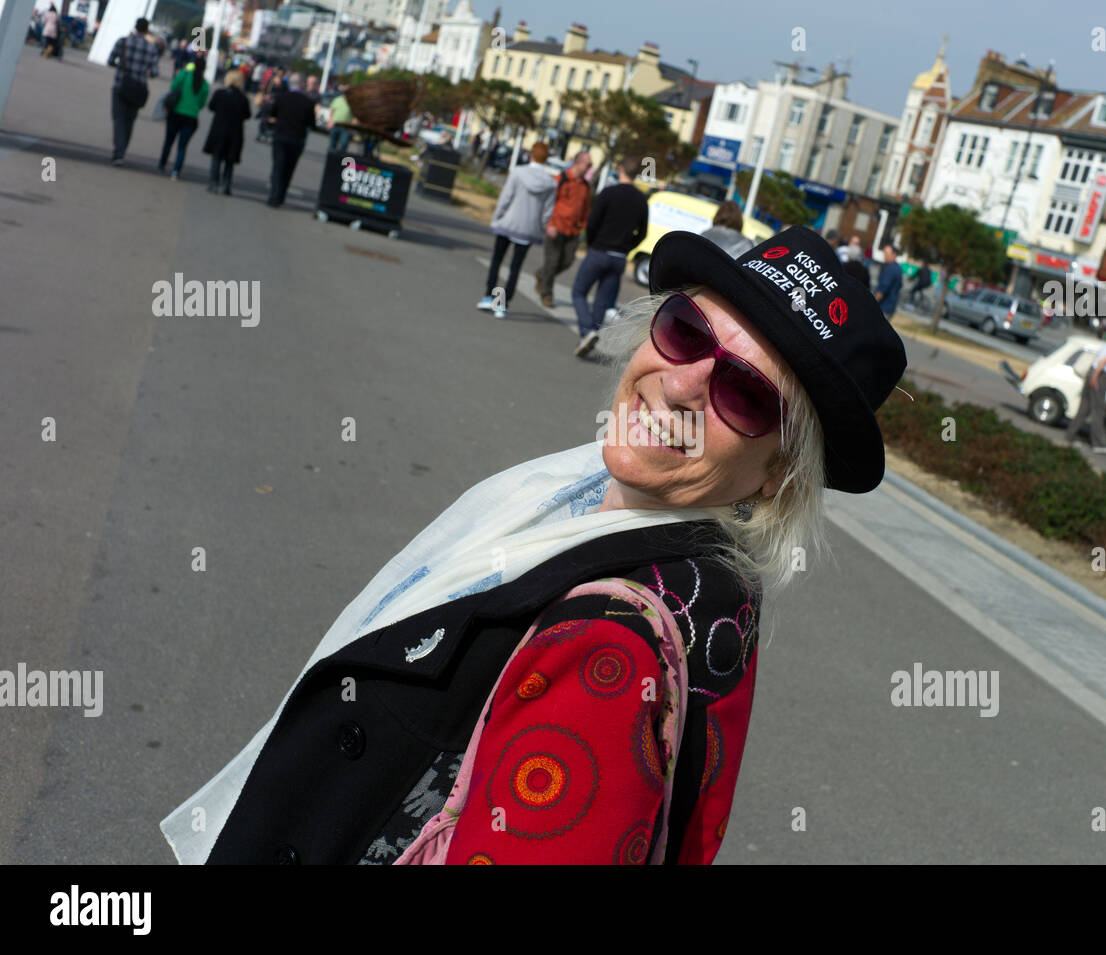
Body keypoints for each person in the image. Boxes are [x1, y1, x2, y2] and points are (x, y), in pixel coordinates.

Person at [157, 224, 908, 866]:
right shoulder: (584, 511)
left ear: (779, 474)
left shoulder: (609, 651)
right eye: (687, 332)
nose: (681, 385)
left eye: (743, 394)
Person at [572, 156, 649, 358]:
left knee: (579, 291)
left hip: (599, 250)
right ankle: (589, 337)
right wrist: (627, 248)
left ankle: (586, 331)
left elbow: (592, 222)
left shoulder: (608, 193)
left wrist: (591, 243)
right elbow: (642, 233)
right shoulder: (642, 200)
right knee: (602, 301)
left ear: (620, 169)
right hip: (619, 257)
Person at [475, 142, 557, 319]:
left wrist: (497, 217)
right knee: (515, 268)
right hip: (529, 229)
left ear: (532, 155)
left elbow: (506, 198)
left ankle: (490, 295)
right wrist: (540, 227)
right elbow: (548, 211)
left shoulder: (518, 173)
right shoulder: (550, 183)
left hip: (509, 223)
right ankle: (502, 305)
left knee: (497, 261)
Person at [534, 151, 592, 307]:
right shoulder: (560, 180)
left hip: (572, 232)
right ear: (578, 163)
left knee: (567, 261)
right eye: (588, 164)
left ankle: (541, 274)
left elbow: (585, 210)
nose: (590, 168)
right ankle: (547, 294)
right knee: (552, 263)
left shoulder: (585, 186)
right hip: (556, 227)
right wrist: (549, 224)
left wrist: (585, 230)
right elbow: (547, 203)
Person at [106, 18, 162, 166]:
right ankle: (122, 151)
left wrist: (121, 67)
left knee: (119, 119)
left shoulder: (122, 42)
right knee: (130, 121)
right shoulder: (151, 49)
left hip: (121, 85)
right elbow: (155, 72)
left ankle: (118, 153)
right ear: (147, 30)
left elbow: (110, 60)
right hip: (138, 89)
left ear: (135, 27)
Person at [265, 73, 317, 208]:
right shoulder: (308, 102)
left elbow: (272, 114)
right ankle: (280, 196)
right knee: (289, 169)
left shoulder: (282, 98)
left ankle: (273, 195)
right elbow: (311, 123)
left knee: (278, 167)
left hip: (281, 136)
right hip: (297, 139)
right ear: (302, 85)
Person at [158, 55, 209, 179]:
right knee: (182, 146)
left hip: (176, 113)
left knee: (169, 141)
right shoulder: (205, 84)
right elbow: (202, 104)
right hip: (191, 117)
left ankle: (162, 164)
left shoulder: (184, 75)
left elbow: (173, 88)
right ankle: (176, 171)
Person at [203, 69, 251, 195]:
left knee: (216, 158)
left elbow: (211, 106)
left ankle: (213, 183)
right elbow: (247, 115)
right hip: (235, 132)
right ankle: (226, 185)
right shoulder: (243, 98)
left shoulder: (220, 93)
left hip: (219, 130)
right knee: (230, 161)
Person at [875, 243, 903, 321]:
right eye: (884, 253)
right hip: (890, 307)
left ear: (894, 255)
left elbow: (882, 290)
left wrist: (873, 304)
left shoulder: (890, 269)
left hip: (884, 307)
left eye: (886, 253)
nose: (884, 255)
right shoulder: (897, 268)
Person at [326, 85, 353, 154]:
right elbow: (331, 111)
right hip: (335, 125)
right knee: (332, 144)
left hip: (346, 127)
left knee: (344, 144)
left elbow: (355, 116)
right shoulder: (337, 99)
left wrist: (352, 126)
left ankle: (340, 161)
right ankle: (331, 159)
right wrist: (330, 121)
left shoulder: (353, 102)